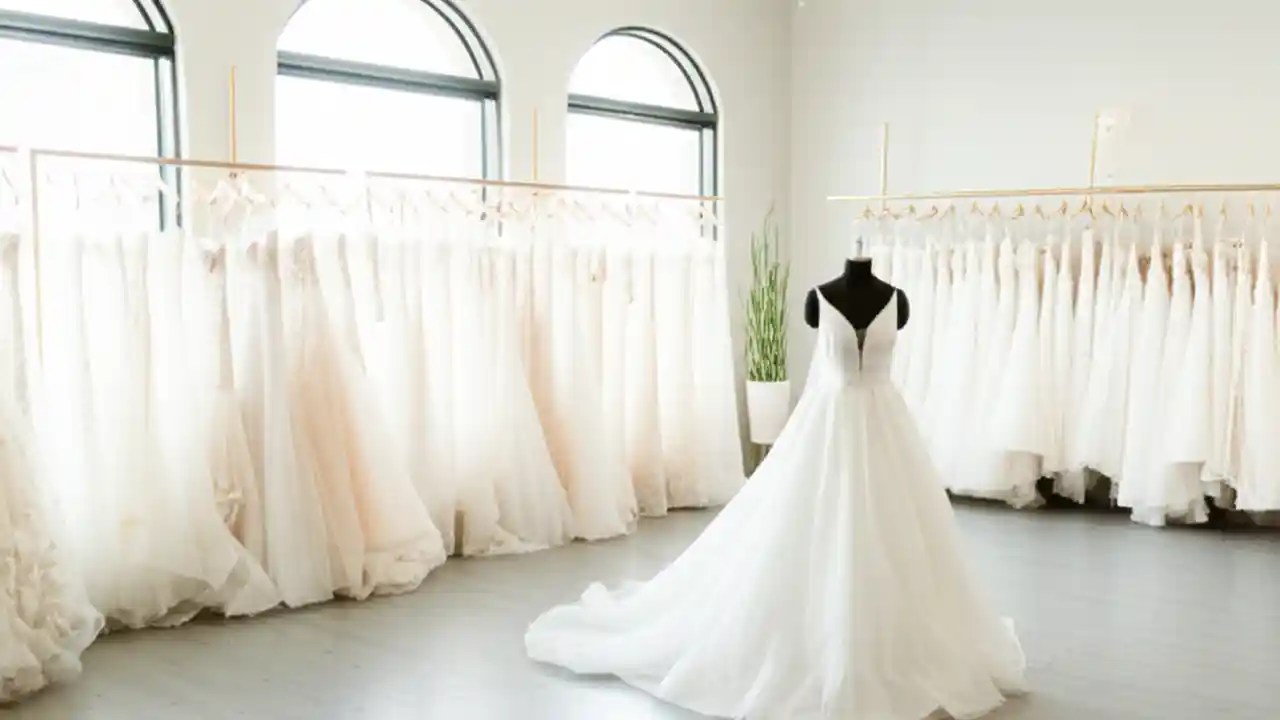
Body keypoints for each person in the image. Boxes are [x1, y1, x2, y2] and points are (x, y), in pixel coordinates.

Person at [525, 258, 1026, 719]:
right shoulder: (819, 297)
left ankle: (886, 642)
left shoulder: (898, 299)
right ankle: (821, 641)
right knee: (814, 529)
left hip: (884, 430)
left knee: (893, 533)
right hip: (828, 428)